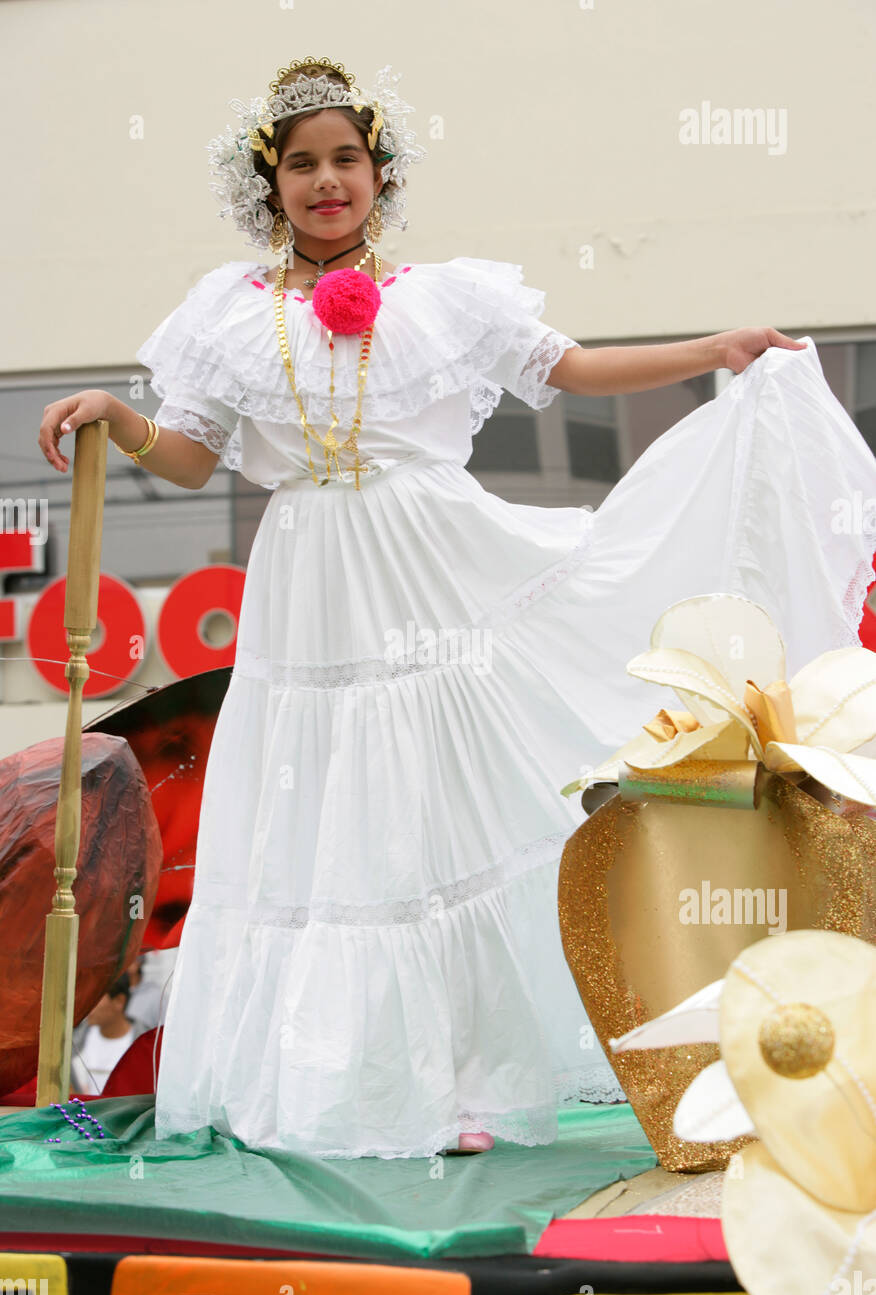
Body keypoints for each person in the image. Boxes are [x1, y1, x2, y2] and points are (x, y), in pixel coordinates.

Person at [38, 59, 875, 1160]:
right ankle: (354, 1085)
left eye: (346, 159)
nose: (326, 180)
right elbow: (192, 459)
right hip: (312, 579)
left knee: (440, 814)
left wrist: (713, 351)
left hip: (435, 562)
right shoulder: (225, 315)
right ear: (271, 183)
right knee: (331, 822)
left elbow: (570, 367)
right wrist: (118, 414)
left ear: (379, 175)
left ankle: (464, 1082)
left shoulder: (446, 296)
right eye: (302, 164)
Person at [70, 974, 136, 1097]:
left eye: (94, 997)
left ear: (119, 1001)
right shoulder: (71, 1045)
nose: (86, 1004)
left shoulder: (147, 1047)